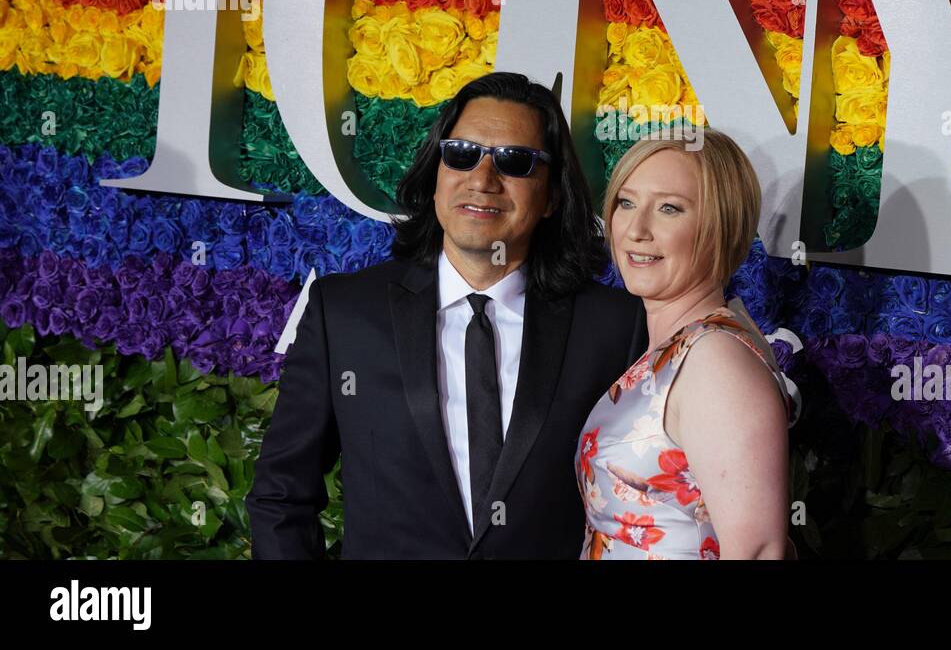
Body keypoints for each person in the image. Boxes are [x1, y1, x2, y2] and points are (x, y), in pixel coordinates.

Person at [247, 72, 647, 558]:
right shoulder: (344, 314)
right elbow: (281, 494)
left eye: (515, 162)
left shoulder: (616, 328)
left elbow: (637, 510)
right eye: (461, 154)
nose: (482, 180)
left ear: (552, 196)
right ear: (436, 173)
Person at [576, 129, 794, 559]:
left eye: (669, 209)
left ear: (721, 226)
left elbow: (759, 552)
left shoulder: (714, 360)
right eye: (626, 202)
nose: (636, 230)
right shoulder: (683, 347)